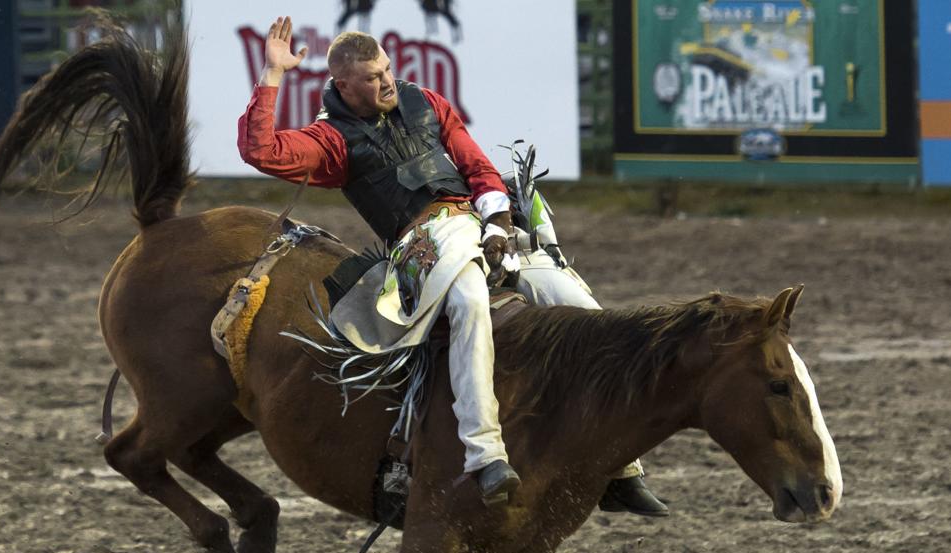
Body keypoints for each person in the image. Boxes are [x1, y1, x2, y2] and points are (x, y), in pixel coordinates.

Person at [238, 17, 667, 515]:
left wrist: (499, 222)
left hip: (481, 227)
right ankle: (485, 454)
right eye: (373, 77)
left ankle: (621, 468)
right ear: (343, 85)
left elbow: (478, 167)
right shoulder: (331, 141)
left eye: (388, 70)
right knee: (468, 303)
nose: (386, 82)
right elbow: (260, 150)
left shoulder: (425, 102)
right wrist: (272, 74)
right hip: (420, 247)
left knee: (583, 307)